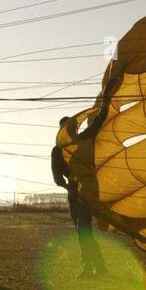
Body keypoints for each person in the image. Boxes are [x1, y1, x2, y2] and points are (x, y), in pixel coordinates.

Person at [52, 117, 107, 278]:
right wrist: (69, 187)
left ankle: (90, 267)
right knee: (83, 231)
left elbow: (97, 123)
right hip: (78, 194)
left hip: (83, 193)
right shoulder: (60, 149)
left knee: (83, 229)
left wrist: (105, 100)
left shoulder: (79, 141)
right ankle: (98, 266)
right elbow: (57, 177)